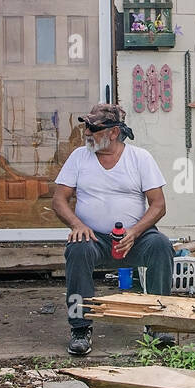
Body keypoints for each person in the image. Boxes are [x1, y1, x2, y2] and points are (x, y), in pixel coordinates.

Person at [51, 103, 176, 356]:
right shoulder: (78, 157)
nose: (86, 132)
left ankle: (157, 323)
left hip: (134, 238)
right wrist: (77, 224)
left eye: (94, 128)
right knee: (77, 249)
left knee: (161, 246)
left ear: (114, 132)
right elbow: (58, 200)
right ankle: (80, 327)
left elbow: (158, 205)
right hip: (93, 238)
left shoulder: (140, 158)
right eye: (86, 126)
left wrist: (135, 232)